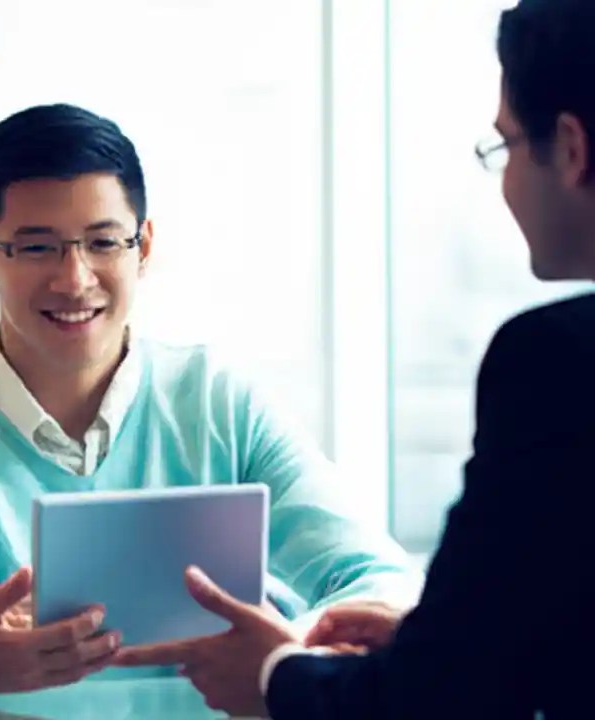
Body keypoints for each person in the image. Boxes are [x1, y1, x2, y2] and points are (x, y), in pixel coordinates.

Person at [0, 103, 422, 690]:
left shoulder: (222, 407)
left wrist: (287, 648)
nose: (74, 278)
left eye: (103, 242)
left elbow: (378, 577)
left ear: (145, 247)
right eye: (36, 247)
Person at [110, 1, 595, 717]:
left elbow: (438, 701)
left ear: (573, 148)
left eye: (506, 147)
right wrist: (446, 640)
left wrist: (274, 675)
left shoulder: (556, 360)